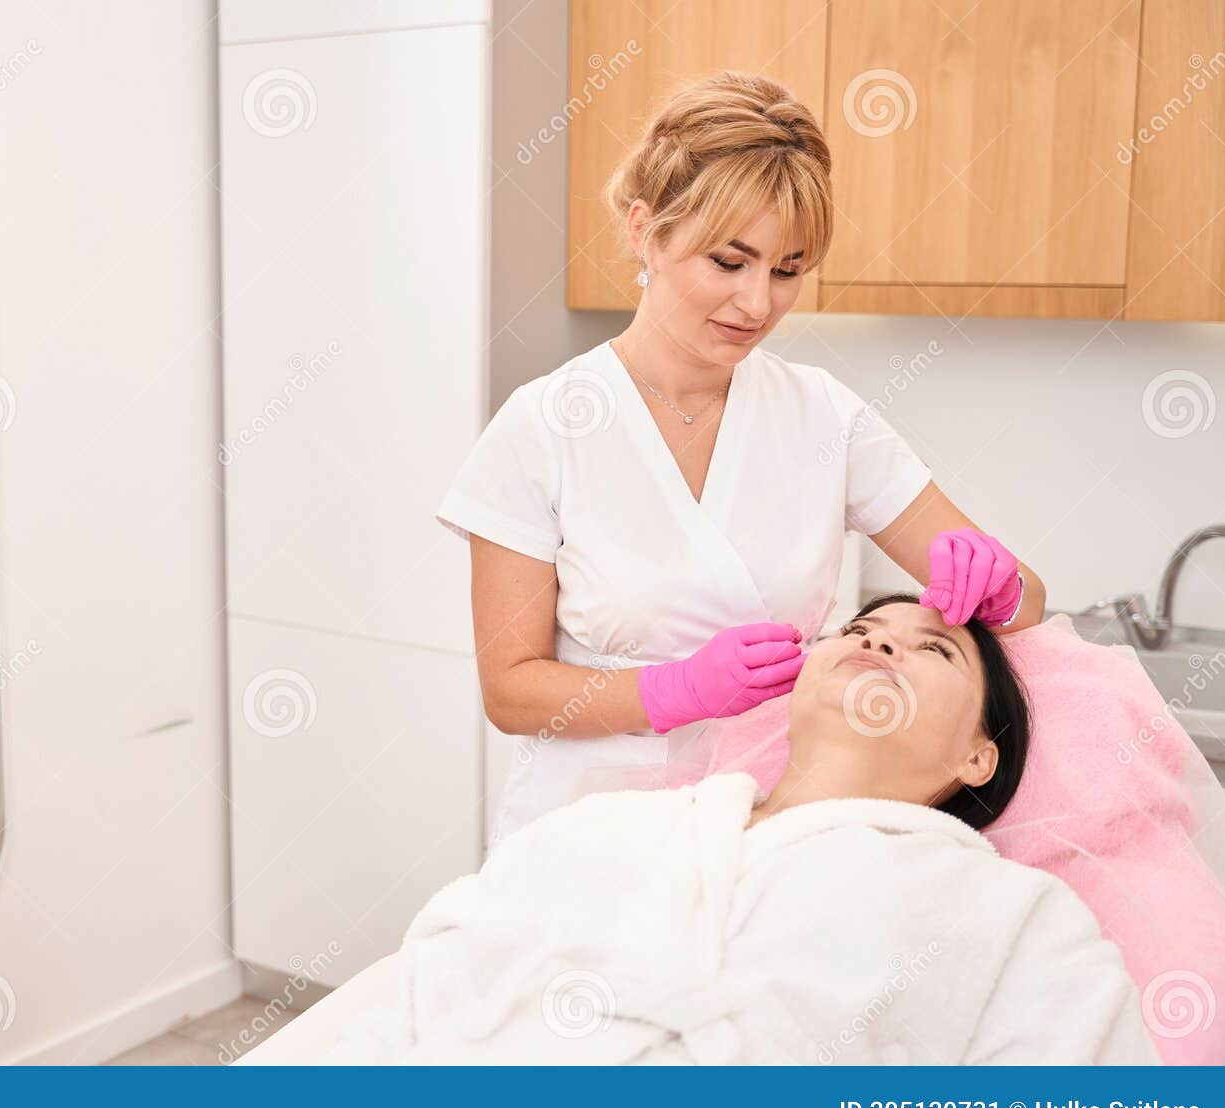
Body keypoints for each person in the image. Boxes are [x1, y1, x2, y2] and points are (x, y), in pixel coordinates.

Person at [436, 72, 1046, 840]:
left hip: (767, 826)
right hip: (588, 831)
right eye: (729, 262)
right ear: (645, 231)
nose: (757, 304)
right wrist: (675, 689)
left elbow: (1029, 601)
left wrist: (997, 586)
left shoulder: (825, 416)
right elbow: (513, 693)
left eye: (786, 270)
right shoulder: (544, 428)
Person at [328, 596, 1157, 1065]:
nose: (875, 646)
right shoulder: (614, 824)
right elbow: (420, 991)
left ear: (982, 756)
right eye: (860, 632)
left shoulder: (1012, 915)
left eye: (932, 651)